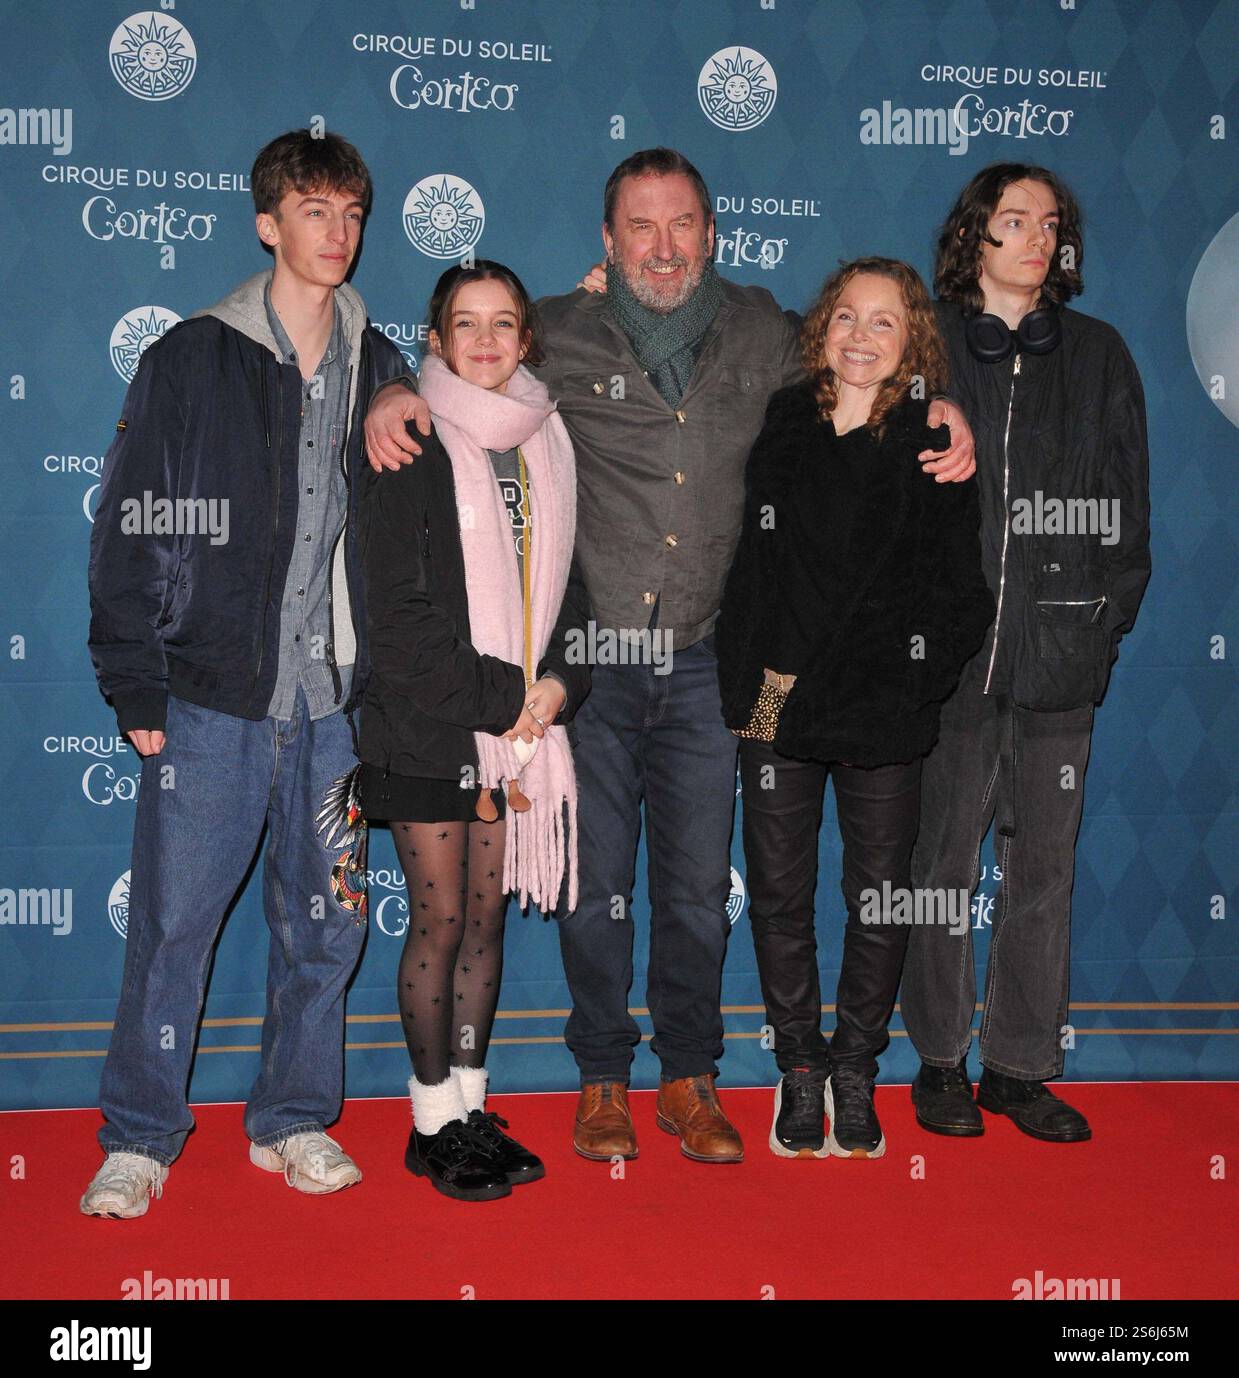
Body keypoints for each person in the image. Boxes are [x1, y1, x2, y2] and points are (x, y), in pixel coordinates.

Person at [363, 148, 977, 1164]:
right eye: (639, 226)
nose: (661, 244)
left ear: (711, 235)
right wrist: (390, 394)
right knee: (597, 886)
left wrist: (938, 402)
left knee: (697, 890)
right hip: (591, 666)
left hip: (708, 659)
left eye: (680, 223)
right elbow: (457, 362)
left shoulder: (768, 331)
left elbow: (863, 369)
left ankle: (690, 1076)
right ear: (607, 240)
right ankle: (602, 1076)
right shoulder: (552, 329)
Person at [81, 130, 407, 1218]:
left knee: (328, 922)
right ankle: (139, 1136)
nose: (339, 234)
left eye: (352, 213)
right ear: (268, 223)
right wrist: (134, 679)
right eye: (315, 211)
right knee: (173, 925)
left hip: (334, 710)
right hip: (212, 699)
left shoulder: (384, 362)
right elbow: (130, 522)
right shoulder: (191, 356)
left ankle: (294, 1117)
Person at [716, 259, 994, 1159]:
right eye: (846, 316)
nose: (861, 336)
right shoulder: (786, 419)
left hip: (882, 703)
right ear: (820, 328)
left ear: (912, 338)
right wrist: (745, 689)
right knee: (778, 894)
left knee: (879, 897)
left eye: (884, 321)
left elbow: (962, 592)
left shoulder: (931, 437)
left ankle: (856, 1067)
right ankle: (799, 1066)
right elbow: (753, 571)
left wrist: (915, 680)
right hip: (775, 699)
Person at [900, 164, 1152, 1143]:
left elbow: (1128, 517)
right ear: (975, 238)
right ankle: (939, 1063)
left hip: (1061, 665)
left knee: (1043, 871)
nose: (1039, 238)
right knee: (939, 869)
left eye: (1051, 223)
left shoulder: (1099, 357)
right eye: (1015, 220)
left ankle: (1019, 1064)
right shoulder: (922, 354)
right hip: (952, 667)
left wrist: (1098, 624)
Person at [357, 262, 589, 1200]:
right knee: (442, 921)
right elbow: (399, 618)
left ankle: (471, 1108)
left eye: (503, 323)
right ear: (437, 337)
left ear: (526, 338)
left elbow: (577, 585)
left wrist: (561, 683)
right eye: (466, 323)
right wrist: (510, 700)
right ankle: (428, 1124)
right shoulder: (407, 435)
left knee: (487, 921)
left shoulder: (550, 436)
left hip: (523, 729)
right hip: (430, 728)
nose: (486, 341)